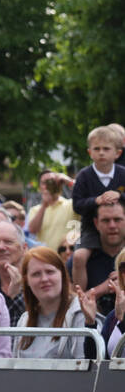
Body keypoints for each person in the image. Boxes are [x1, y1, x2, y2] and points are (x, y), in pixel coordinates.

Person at [70, 125, 125, 292]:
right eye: (97, 149)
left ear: (118, 153)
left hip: (121, 226)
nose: (101, 153)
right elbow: (77, 205)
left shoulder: (123, 173)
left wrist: (120, 196)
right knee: (79, 256)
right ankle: (79, 297)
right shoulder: (84, 176)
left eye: (106, 149)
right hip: (89, 228)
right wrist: (96, 201)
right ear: (89, 152)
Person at [13, 246, 86, 359]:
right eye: (36, 274)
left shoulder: (80, 314)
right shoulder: (24, 320)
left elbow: (88, 370)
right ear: (26, 280)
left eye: (50, 272)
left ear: (62, 274)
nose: (44, 279)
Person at [81, 199, 125, 317]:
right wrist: (102, 288)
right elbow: (71, 304)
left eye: (117, 219)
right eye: (106, 220)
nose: (112, 225)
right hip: (94, 327)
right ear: (96, 223)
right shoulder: (82, 259)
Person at [28, 170, 76, 251]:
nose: (48, 185)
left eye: (52, 182)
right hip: (47, 258)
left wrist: (69, 181)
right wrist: (44, 206)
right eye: (45, 183)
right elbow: (33, 230)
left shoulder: (71, 204)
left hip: (69, 256)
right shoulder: (35, 210)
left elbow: (87, 192)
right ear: (40, 188)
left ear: (60, 184)